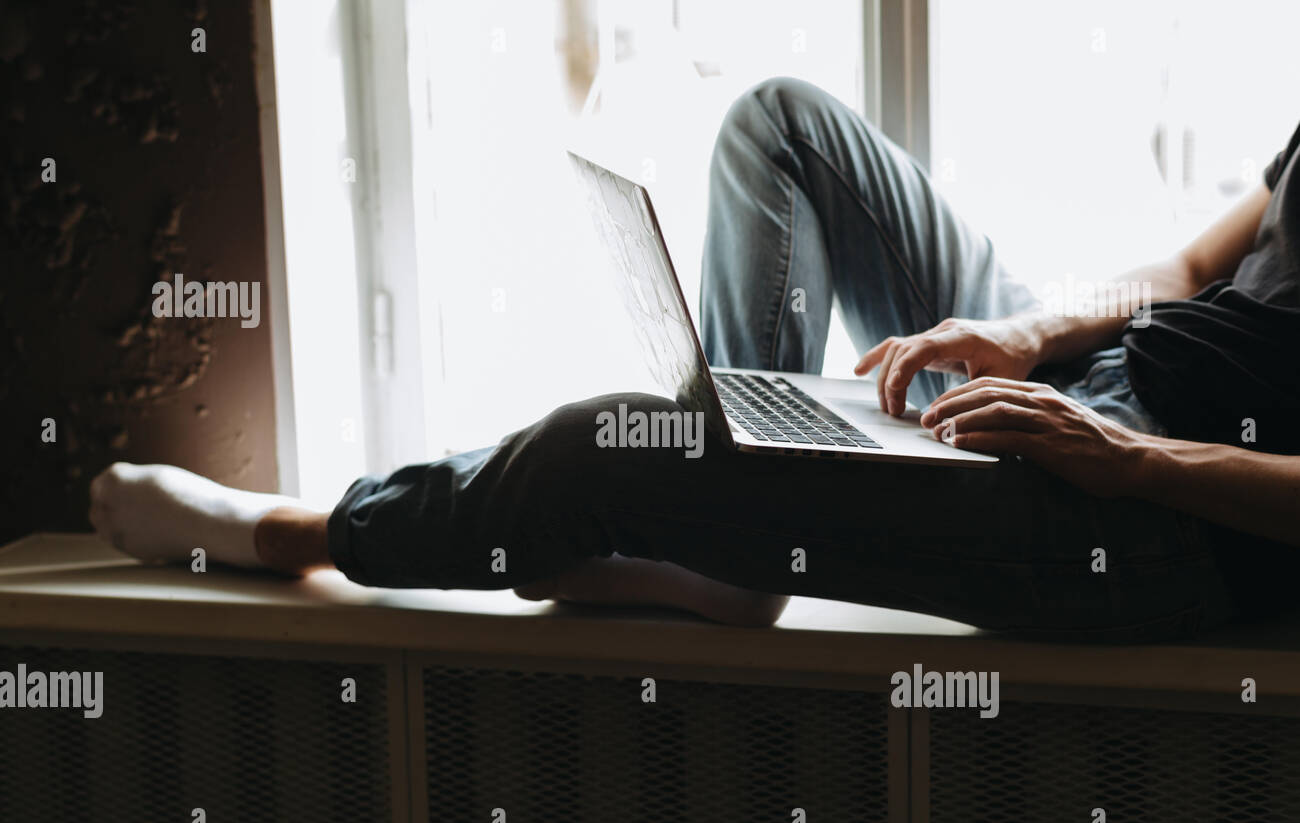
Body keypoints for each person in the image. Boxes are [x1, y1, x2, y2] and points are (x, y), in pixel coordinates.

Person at [88, 79, 1300, 640]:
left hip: (1156, 521)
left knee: (600, 444)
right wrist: (1030, 335)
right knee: (783, 126)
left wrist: (1134, 464)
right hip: (1112, 387)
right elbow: (1192, 269)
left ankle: (291, 533)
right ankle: (740, 525)